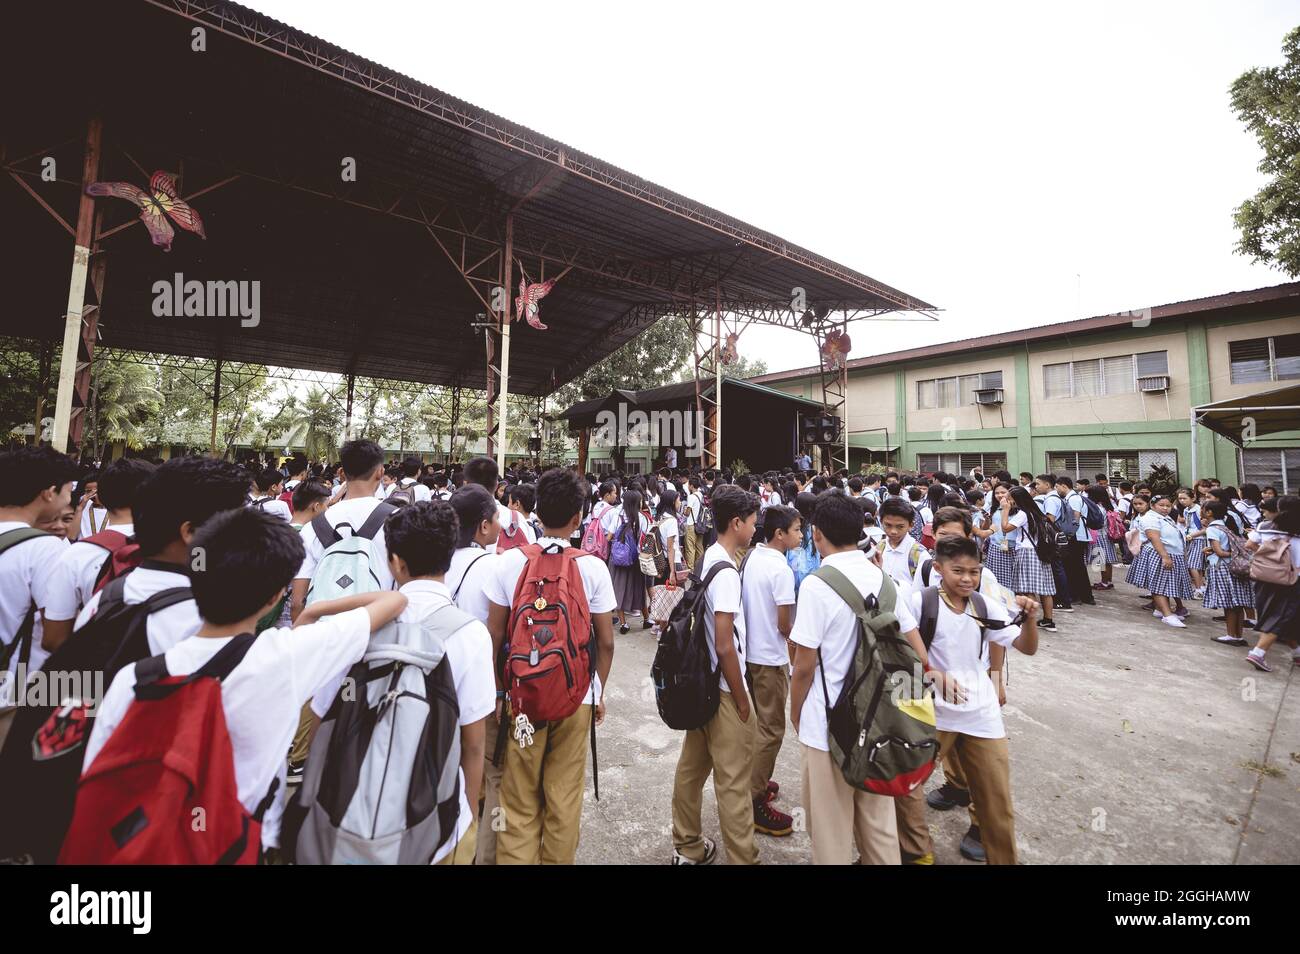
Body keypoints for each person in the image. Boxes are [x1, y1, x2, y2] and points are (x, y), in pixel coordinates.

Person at [82, 508, 408, 858]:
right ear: (273, 597)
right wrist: (313, 611)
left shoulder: (133, 678)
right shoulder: (284, 658)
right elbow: (393, 600)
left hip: (140, 844)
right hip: (235, 845)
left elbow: (95, 777)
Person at [308, 501, 493, 864]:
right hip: (436, 826)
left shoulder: (353, 626)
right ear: (450, 557)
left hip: (348, 822)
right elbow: (473, 745)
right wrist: (465, 821)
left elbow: (320, 723)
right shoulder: (471, 635)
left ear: (394, 561)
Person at [483, 468, 615, 865]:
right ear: (578, 518)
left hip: (522, 700)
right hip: (575, 699)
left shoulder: (507, 564)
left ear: (536, 512)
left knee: (519, 797)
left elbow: (494, 638)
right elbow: (606, 642)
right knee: (563, 796)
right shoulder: (593, 568)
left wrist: (500, 692)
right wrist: (597, 690)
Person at [788, 490, 921, 865]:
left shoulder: (817, 583)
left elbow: (803, 665)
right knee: (878, 827)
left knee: (830, 830)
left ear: (816, 533)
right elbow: (917, 653)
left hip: (828, 722)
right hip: (880, 720)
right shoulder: (884, 580)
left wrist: (796, 713)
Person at [904, 536, 1038, 865]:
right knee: (904, 787)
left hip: (980, 713)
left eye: (974, 572)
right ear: (938, 569)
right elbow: (898, 650)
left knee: (996, 801)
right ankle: (914, 850)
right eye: (958, 571)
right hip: (929, 712)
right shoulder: (919, 602)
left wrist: (1030, 618)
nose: (967, 579)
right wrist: (932, 674)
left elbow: (1026, 646)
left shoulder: (985, 605)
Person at [670, 484, 757, 865]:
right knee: (734, 782)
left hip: (701, 685)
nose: (755, 529)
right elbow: (725, 644)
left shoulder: (708, 557)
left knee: (691, 771)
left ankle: (687, 847)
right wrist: (740, 699)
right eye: (752, 523)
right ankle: (744, 858)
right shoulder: (727, 573)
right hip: (722, 690)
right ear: (736, 523)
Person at [43, 459, 156, 653]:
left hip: (93, 667)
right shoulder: (175, 549)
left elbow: (53, 639)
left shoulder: (76, 555)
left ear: (101, 497)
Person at [740, 503, 800, 839]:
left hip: (751, 653)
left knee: (758, 725)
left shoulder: (754, 557)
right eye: (796, 530)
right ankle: (754, 800)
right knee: (772, 729)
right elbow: (784, 624)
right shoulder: (781, 570)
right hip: (770, 658)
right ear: (779, 534)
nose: (801, 534)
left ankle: (757, 779)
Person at [291, 439, 395, 621]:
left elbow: (298, 602)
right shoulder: (399, 520)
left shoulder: (312, 527)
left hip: (323, 636)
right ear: (380, 472)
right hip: (376, 630)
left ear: (342, 473)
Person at [0, 447, 80, 679]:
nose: (68, 499)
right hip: (16, 687)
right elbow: (55, 636)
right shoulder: (45, 548)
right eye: (68, 491)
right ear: (49, 492)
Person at [1001, 486, 1056, 631]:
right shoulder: (1035, 512)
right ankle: (1048, 620)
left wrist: (1005, 510)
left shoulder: (1023, 514)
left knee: (1028, 589)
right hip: (1040, 552)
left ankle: (1027, 621)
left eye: (1009, 498)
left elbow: (1005, 528)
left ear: (1017, 499)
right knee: (1045, 589)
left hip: (1027, 552)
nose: (1008, 501)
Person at [1132, 496, 1191, 628]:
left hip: (1172, 553)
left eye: (1168, 506)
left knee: (1166, 584)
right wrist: (1164, 556)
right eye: (1161, 505)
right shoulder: (1150, 518)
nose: (1165, 508)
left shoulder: (1165, 517)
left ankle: (1160, 610)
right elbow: (1154, 538)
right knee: (1159, 585)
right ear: (1152, 506)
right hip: (1159, 553)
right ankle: (1167, 615)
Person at [604, 488, 650, 634]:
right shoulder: (642, 518)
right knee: (639, 590)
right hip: (635, 561)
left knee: (619, 590)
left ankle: (624, 624)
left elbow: (609, 537)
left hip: (618, 560)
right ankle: (647, 619)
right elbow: (646, 540)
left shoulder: (617, 515)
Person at [1056, 476, 1095, 607]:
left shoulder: (1073, 499)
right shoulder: (1072, 497)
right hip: (1077, 536)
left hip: (1076, 537)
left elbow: (1075, 518)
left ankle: (1079, 596)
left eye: (1057, 487)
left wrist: (1068, 535)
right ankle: (1084, 596)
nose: (1056, 490)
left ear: (1064, 486)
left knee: (1075, 567)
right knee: (1076, 567)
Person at [1085, 484, 1122, 591]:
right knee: (1106, 561)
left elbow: (1095, 523)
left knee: (1101, 562)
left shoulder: (1096, 508)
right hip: (1106, 536)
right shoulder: (1107, 506)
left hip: (1098, 536)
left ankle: (1105, 582)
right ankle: (1107, 581)